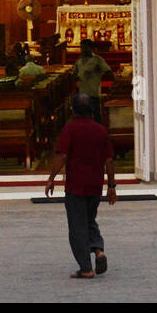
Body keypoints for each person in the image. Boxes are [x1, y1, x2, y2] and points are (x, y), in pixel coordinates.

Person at [45, 94, 116, 278]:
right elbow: (109, 160)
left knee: (77, 226)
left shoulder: (70, 129)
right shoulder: (101, 131)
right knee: (89, 219)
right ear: (92, 111)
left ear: (73, 111)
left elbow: (62, 156)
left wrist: (51, 178)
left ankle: (86, 268)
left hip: (76, 185)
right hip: (95, 185)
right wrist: (111, 185)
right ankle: (98, 249)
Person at [73, 38, 111, 123]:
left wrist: (98, 72)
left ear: (91, 48)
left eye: (86, 48)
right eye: (82, 48)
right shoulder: (79, 61)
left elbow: (108, 72)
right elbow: (74, 73)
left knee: (96, 115)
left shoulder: (98, 59)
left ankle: (97, 132)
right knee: (84, 117)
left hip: (94, 93)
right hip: (82, 93)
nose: (83, 50)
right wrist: (76, 77)